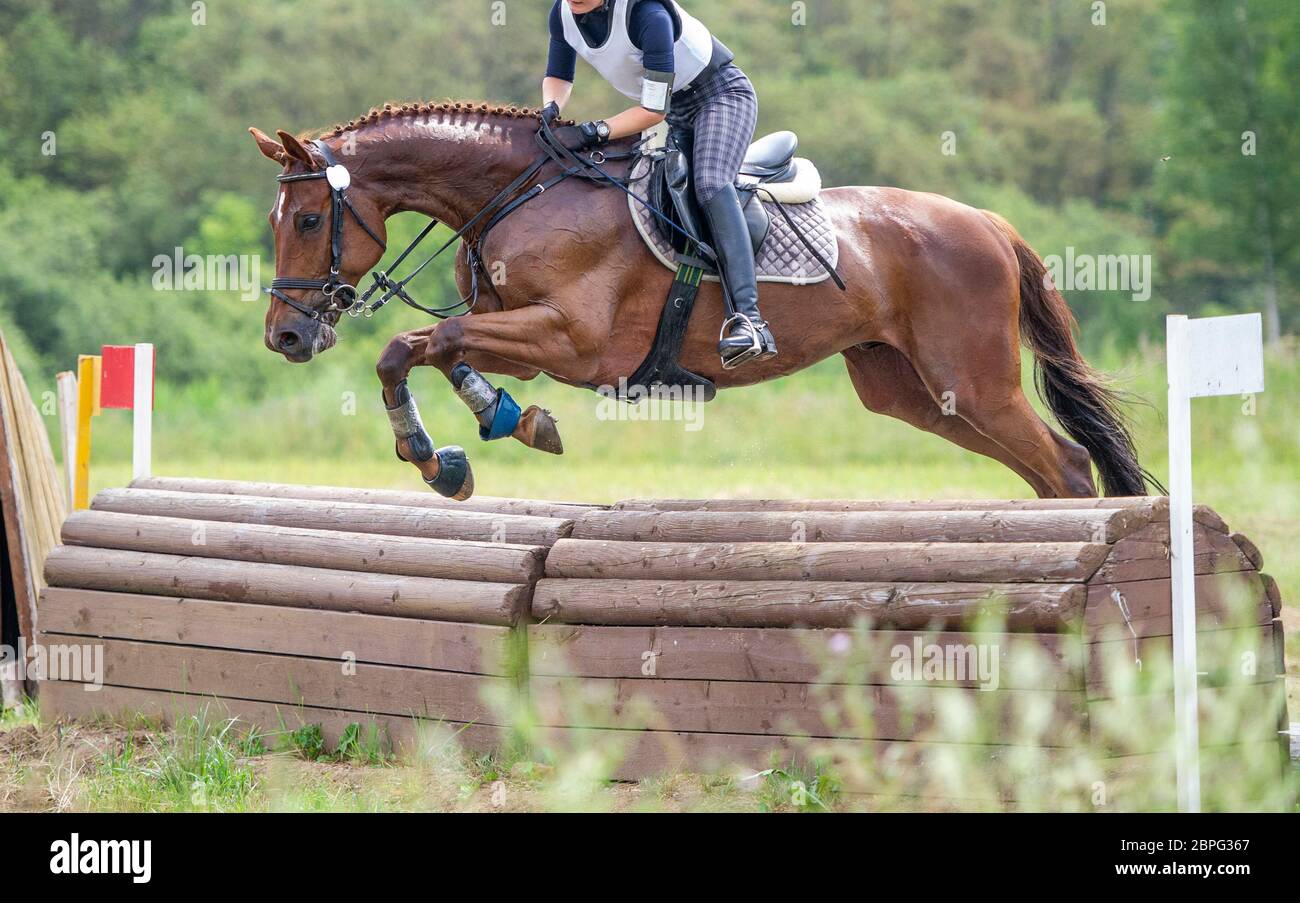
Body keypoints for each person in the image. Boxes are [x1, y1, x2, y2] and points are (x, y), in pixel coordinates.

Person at [541, 0, 777, 369]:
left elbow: (653, 110)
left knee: (710, 183)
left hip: (721, 95)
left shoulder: (646, 14)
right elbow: (559, 75)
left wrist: (595, 130)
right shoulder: (562, 14)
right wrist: (550, 115)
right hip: (680, 113)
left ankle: (750, 320)